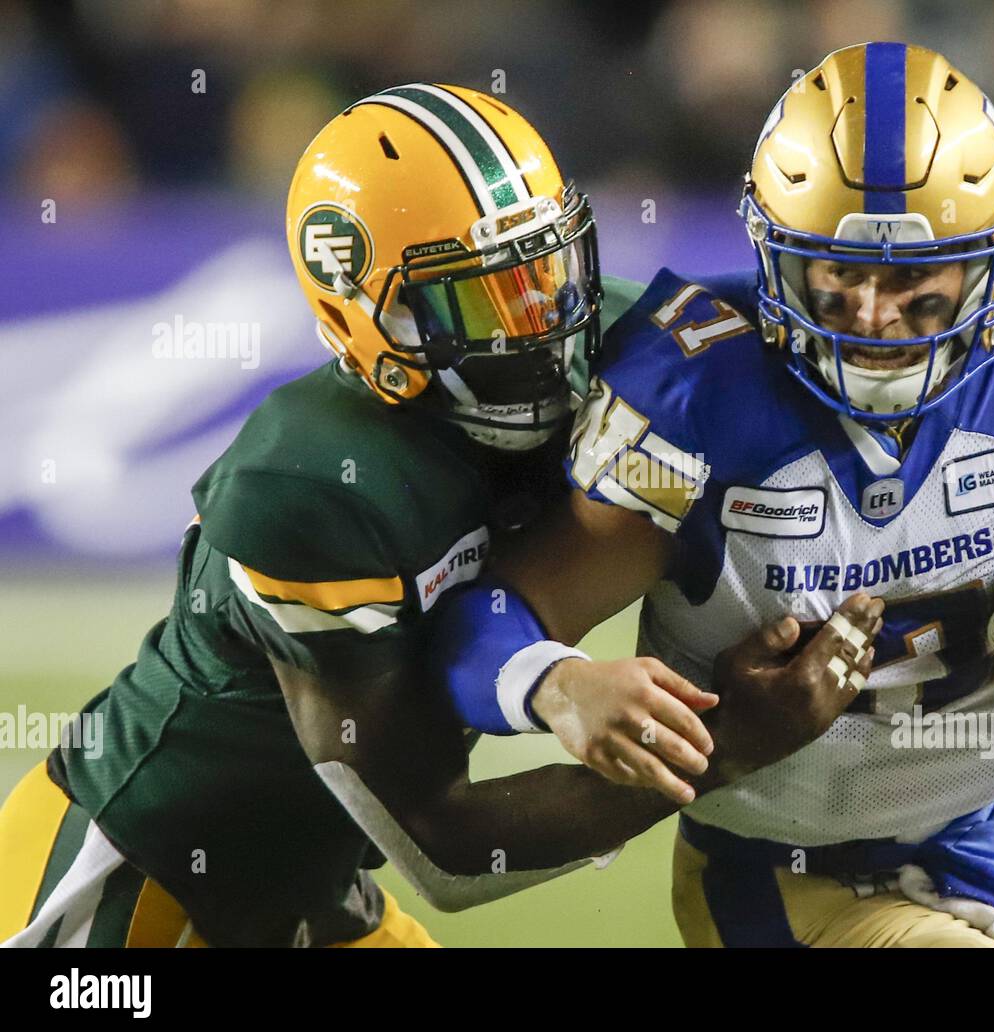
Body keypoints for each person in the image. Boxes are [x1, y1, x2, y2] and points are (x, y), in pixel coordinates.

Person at [0, 84, 881, 948]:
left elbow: (784, 342)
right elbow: (447, 844)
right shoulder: (315, 486)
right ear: (372, 319)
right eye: (480, 298)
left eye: (546, 270)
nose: (541, 324)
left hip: (316, 893)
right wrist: (727, 743)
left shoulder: (627, 349)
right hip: (128, 883)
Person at [434, 44, 994, 948]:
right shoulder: (690, 398)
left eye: (910, 281)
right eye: (836, 273)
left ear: (992, 263)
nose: (869, 316)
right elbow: (500, 609)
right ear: (774, 252)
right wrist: (561, 685)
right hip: (783, 868)